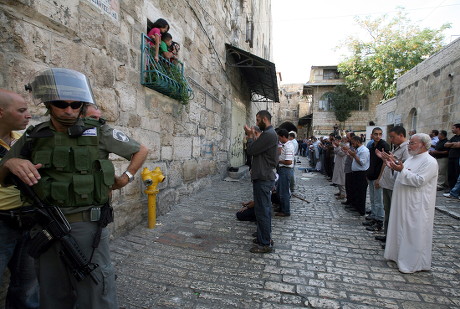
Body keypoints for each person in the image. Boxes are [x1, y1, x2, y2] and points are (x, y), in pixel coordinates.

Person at [0, 68, 148, 308]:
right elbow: (2, 176)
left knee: (95, 288)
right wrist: (12, 162)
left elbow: (140, 150)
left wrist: (126, 177)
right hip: (45, 224)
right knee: (51, 290)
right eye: (60, 104)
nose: (68, 110)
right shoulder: (34, 135)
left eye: (75, 104)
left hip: (87, 225)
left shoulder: (98, 130)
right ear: (48, 104)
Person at [0, 89, 39, 309]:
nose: (28, 115)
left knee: (28, 289)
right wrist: (7, 165)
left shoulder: (20, 142)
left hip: (28, 221)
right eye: (22, 110)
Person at [383, 133, 438, 274]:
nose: (409, 145)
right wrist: (393, 166)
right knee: (400, 228)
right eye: (410, 143)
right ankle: (396, 255)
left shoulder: (430, 162)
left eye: (412, 143)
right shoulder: (411, 159)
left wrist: (401, 170)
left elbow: (419, 180)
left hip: (417, 203)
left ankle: (412, 261)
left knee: (413, 232)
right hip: (403, 201)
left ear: (423, 145)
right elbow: (402, 173)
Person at [244, 110, 278, 253]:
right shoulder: (268, 134)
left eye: (258, 120)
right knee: (261, 209)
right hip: (262, 176)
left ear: (264, 119)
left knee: (263, 210)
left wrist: (250, 136)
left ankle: (265, 243)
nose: (256, 123)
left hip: (264, 178)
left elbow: (251, 150)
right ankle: (263, 236)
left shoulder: (269, 134)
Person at [374, 126, 409, 246]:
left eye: (393, 137)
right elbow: (389, 163)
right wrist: (385, 158)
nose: (391, 139)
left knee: (394, 214)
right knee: (388, 211)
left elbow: (406, 167)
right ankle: (387, 235)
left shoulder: (406, 149)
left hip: (395, 185)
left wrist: (392, 159)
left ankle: (392, 240)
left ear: (401, 135)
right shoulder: (397, 148)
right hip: (388, 183)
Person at [363, 127, 390, 232]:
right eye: (376, 134)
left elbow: (385, 162)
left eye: (380, 134)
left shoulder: (384, 145)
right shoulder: (372, 146)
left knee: (378, 200)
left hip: (377, 176)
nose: (378, 136)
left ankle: (379, 221)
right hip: (371, 174)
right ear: (372, 135)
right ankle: (374, 216)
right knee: (373, 199)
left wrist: (380, 178)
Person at [344, 136, 370, 216]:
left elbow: (362, 163)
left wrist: (354, 155)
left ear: (358, 141)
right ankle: (356, 206)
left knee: (361, 192)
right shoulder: (358, 150)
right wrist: (350, 155)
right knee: (356, 191)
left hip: (361, 173)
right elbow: (355, 160)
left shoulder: (364, 150)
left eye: (353, 142)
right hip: (356, 173)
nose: (352, 144)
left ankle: (361, 210)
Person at [276, 129, 294, 217]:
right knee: (280, 190)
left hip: (285, 170)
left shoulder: (288, 146)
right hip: (282, 170)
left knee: (284, 192)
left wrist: (279, 161)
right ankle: (282, 207)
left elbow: (289, 161)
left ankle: (285, 210)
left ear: (283, 137)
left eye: (279, 137)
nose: (279, 139)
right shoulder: (285, 145)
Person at [444, 124, 460, 190]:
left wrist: (451, 145)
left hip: (457, 157)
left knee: (457, 174)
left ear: (458, 128)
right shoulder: (454, 137)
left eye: (453, 128)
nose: (452, 129)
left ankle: (456, 191)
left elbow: (458, 145)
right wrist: (453, 144)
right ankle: (451, 189)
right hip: (451, 157)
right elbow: (445, 145)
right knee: (451, 174)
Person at [332, 135, 347, 199]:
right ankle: (340, 191)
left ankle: (343, 193)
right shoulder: (341, 145)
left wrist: (337, 146)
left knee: (342, 178)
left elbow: (342, 153)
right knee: (338, 177)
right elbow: (336, 151)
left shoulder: (346, 145)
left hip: (342, 163)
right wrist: (337, 147)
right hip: (338, 162)